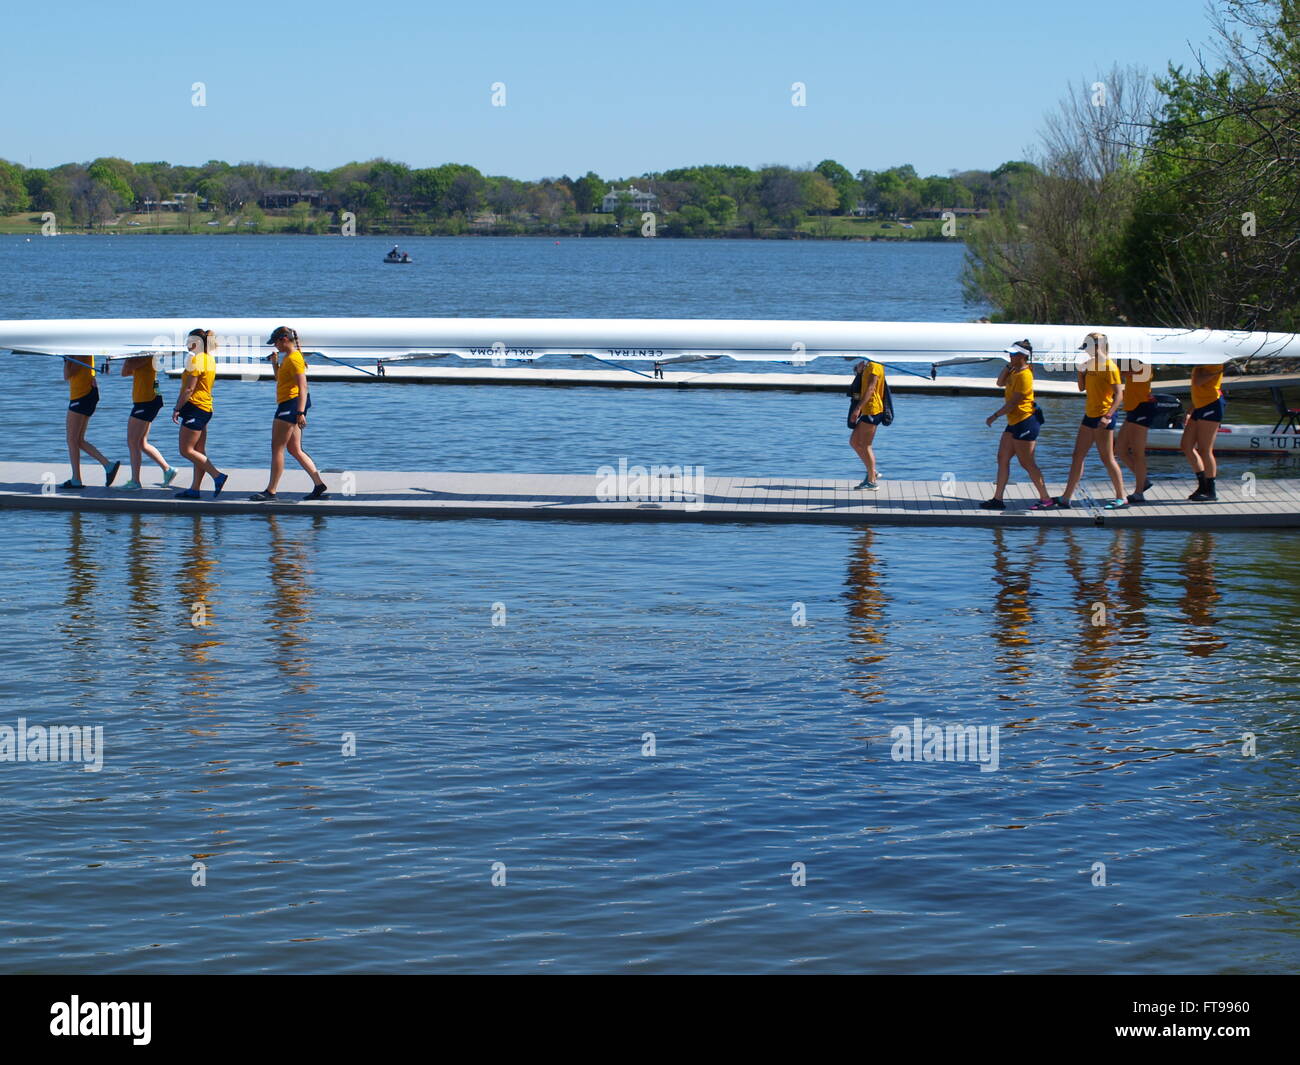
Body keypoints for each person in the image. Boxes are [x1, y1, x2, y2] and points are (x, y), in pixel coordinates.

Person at [1046, 332, 1127, 510]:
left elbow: (1119, 394)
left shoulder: (1109, 367)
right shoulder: (1091, 364)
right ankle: (1066, 497)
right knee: (1077, 455)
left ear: (1097, 347)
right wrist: (1081, 373)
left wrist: (1108, 416)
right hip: (1089, 415)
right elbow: (1082, 388)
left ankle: (1122, 497)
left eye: (1087, 348)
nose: (1086, 352)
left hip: (1103, 416)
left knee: (1107, 458)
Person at [250, 326, 328, 502]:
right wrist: (274, 363)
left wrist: (300, 412)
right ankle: (318, 484)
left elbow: (303, 386)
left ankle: (271, 491)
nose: (275, 346)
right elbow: (280, 379)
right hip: (291, 404)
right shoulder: (288, 357)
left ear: (284, 339)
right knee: (294, 449)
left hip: (291, 405)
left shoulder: (294, 359)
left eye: (276, 342)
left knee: (277, 448)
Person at [980, 340, 1051, 510]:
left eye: (1013, 355)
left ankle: (1046, 499)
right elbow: (999, 383)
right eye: (1009, 354)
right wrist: (1007, 367)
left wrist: (994, 416)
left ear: (1022, 356)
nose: (1009, 357)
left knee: (1027, 463)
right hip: (1013, 422)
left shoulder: (1025, 375)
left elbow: (1013, 403)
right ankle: (998, 499)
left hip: (1026, 422)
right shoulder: (1014, 371)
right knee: (1002, 458)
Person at [172, 328, 228, 499]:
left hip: (195, 407)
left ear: (197, 342)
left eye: (189, 341)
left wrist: (176, 409)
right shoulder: (209, 359)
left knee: (186, 450)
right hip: (205, 408)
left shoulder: (197, 360)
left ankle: (217, 476)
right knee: (199, 450)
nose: (187, 344)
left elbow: (189, 388)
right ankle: (195, 489)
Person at [59, 352, 121, 490]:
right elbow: (69, 374)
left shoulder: (80, 351)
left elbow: (68, 374)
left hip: (82, 396)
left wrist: (66, 360)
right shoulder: (77, 352)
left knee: (71, 439)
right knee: (78, 440)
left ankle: (76, 479)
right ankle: (108, 466)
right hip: (84, 395)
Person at [120, 353, 178, 490]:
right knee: (141, 443)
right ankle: (168, 469)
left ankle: (135, 481)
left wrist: (126, 356)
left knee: (132, 441)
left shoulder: (147, 356)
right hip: (144, 401)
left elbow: (131, 365)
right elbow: (124, 373)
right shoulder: (138, 357)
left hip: (146, 401)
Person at [1182, 363, 1225, 501]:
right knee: (1186, 445)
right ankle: (1202, 485)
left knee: (1205, 449)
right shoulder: (1201, 361)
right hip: (1199, 405)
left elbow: (1198, 381)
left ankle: (1211, 491)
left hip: (1212, 404)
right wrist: (1190, 410)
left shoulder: (1214, 361)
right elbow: (1197, 388)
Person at [1115, 361, 1156, 504]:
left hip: (1143, 407)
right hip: (1132, 408)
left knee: (1138, 452)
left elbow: (1122, 372)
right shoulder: (1132, 362)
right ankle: (1143, 481)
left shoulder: (1143, 364)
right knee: (1119, 449)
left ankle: (1139, 493)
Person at [847, 358, 887, 490]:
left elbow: (870, 389)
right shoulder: (869, 365)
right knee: (854, 442)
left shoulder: (875, 366)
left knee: (866, 445)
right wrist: (859, 371)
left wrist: (857, 409)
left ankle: (872, 481)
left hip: (872, 409)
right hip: (867, 409)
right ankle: (872, 472)